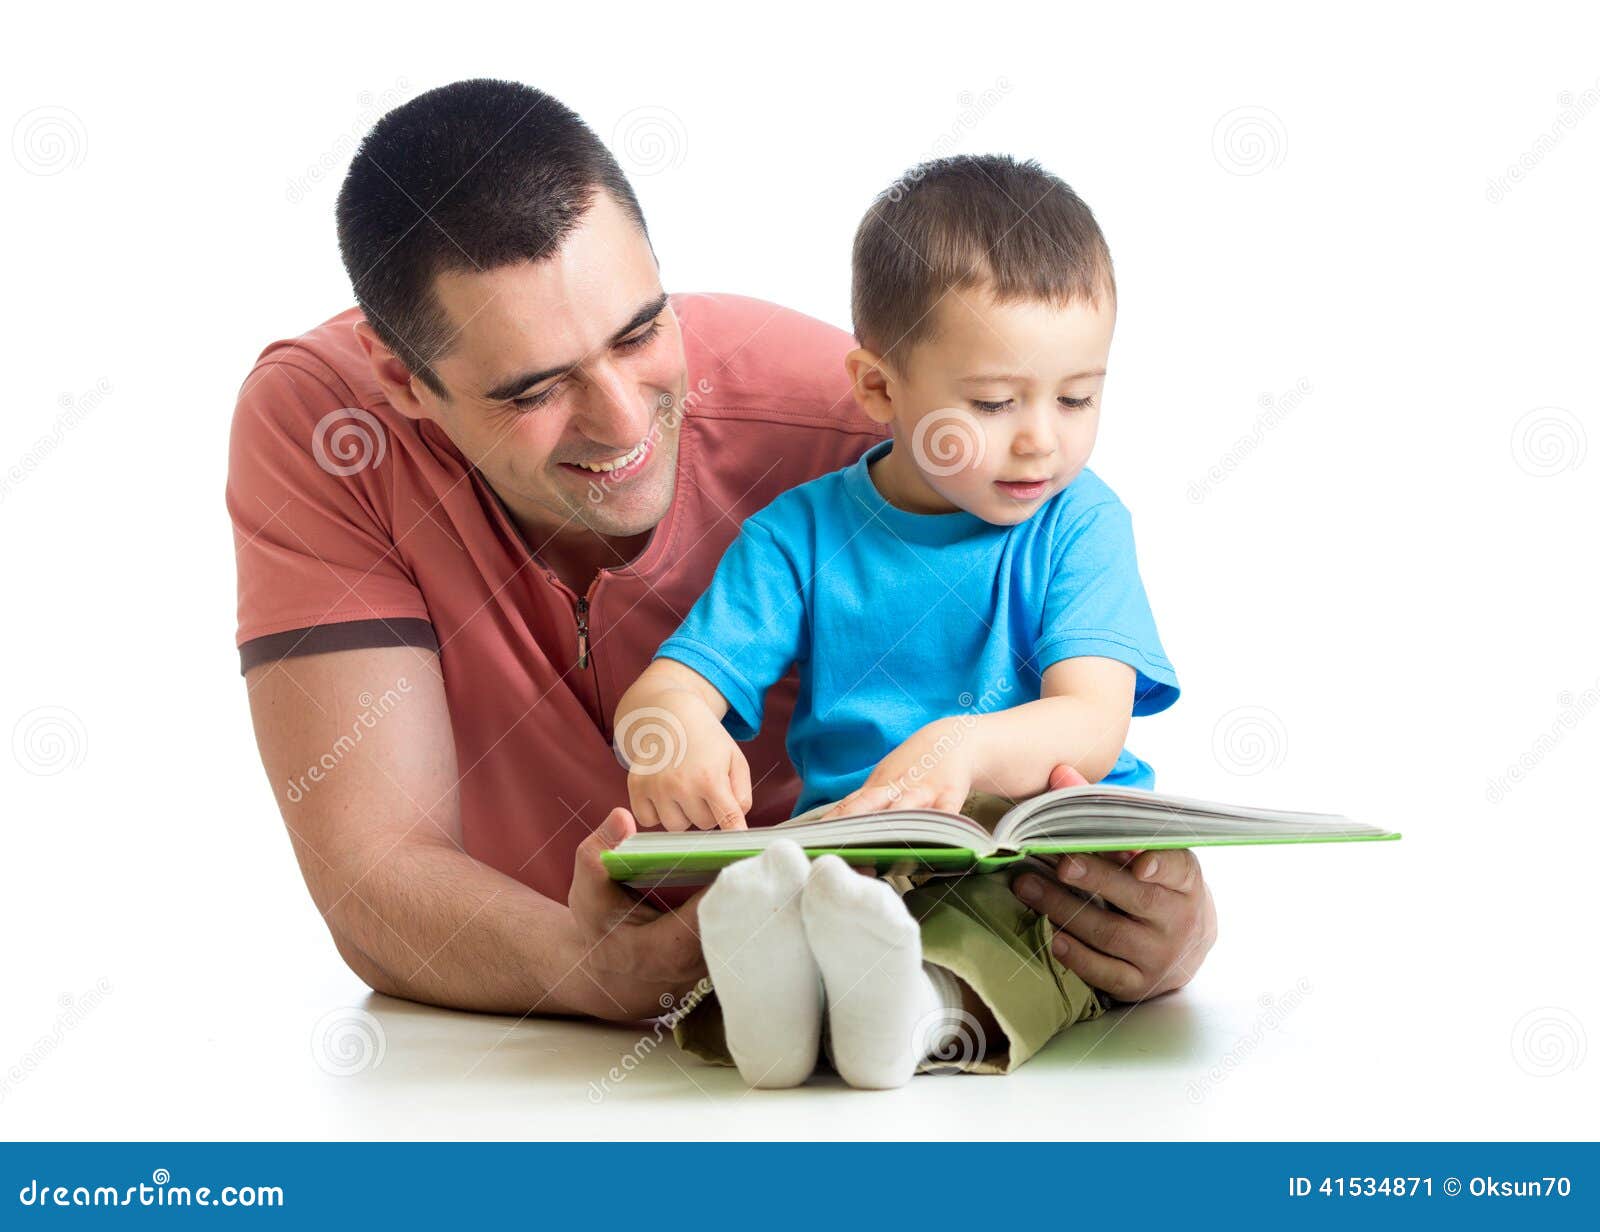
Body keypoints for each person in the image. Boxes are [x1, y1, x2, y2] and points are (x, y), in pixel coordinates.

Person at [227, 78, 1216, 1030]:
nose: (622, 422)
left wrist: (1166, 926)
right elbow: (376, 870)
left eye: (643, 329)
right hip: (630, 1011)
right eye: (531, 390)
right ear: (401, 379)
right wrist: (600, 964)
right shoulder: (326, 427)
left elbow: (1073, 704)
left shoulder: (885, 423)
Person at [616, 154, 1185, 1087]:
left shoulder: (1080, 522)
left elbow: (1093, 716)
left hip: (1032, 860)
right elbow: (676, 682)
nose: (1044, 436)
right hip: (858, 854)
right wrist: (668, 730)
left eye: (1079, 397)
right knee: (798, 902)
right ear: (880, 391)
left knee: (1019, 938)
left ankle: (920, 1014)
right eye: (996, 403)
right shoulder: (800, 534)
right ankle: (782, 1021)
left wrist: (959, 749)